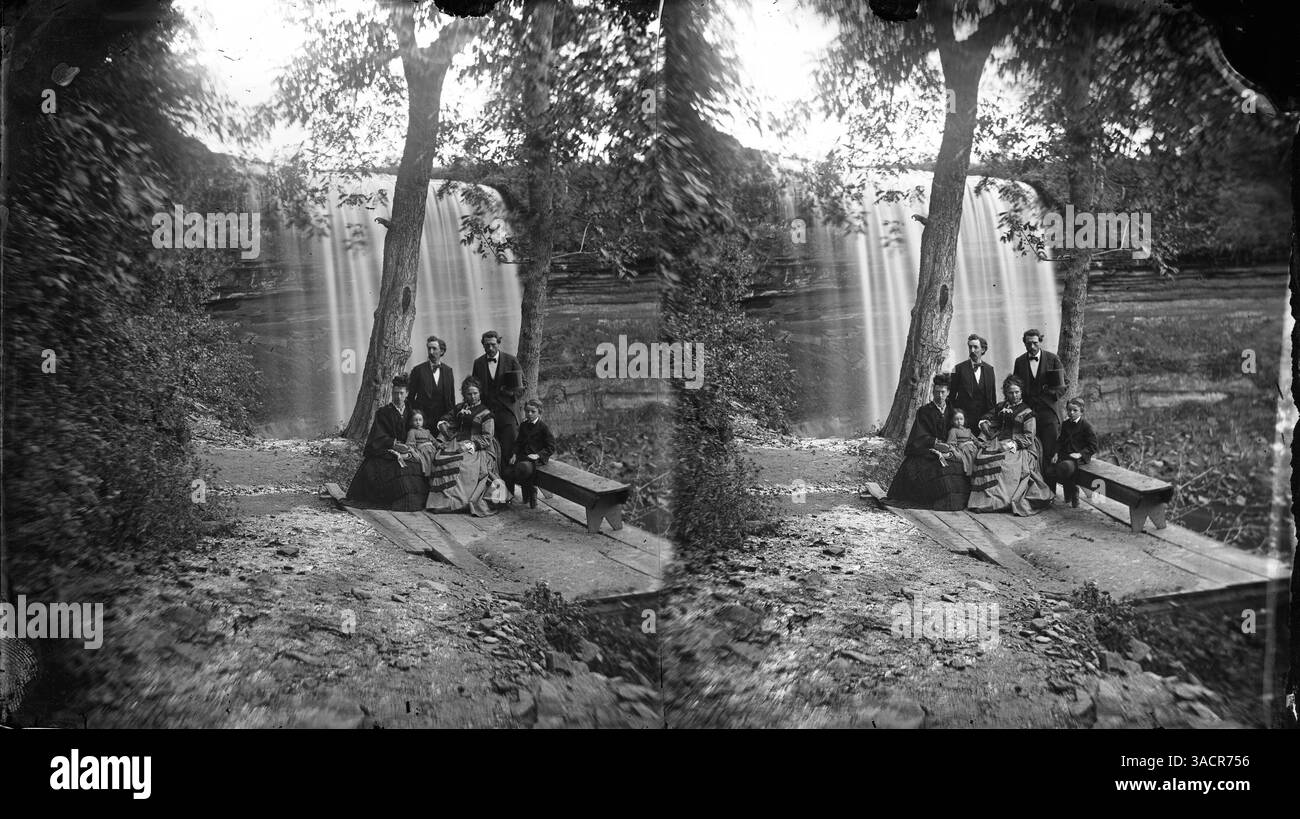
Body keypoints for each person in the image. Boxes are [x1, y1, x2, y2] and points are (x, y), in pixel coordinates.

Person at [883, 373, 969, 511]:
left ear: (948, 392)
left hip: (950, 449)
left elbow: (959, 430)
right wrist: (934, 443)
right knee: (929, 468)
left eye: (942, 392)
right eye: (936, 392)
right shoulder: (924, 411)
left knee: (958, 467)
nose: (939, 396)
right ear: (932, 392)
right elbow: (919, 436)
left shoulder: (953, 410)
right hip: (928, 450)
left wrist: (953, 445)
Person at [969, 376, 1053, 516]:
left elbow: (1028, 437)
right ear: (1005, 393)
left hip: (1020, 446)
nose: (1014, 396)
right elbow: (990, 418)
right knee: (982, 458)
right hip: (998, 440)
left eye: (1017, 392)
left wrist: (1012, 444)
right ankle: (982, 501)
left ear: (1021, 392)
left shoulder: (1027, 412)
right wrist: (985, 423)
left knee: (1005, 463)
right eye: (1010, 393)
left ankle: (998, 502)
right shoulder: (1001, 407)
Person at [344, 375, 429, 511]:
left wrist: (410, 446)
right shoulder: (383, 412)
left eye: (401, 393)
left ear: (407, 394)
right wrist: (394, 444)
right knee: (386, 468)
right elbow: (377, 437)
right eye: (395, 393)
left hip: (408, 449)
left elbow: (417, 430)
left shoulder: (411, 412)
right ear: (391, 393)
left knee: (414, 467)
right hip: (387, 450)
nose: (398, 396)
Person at [424, 377, 502, 517]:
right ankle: (440, 502)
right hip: (456, 441)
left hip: (477, 446)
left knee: (462, 463)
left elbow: (487, 437)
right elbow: (447, 419)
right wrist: (444, 424)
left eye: (475, 393)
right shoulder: (460, 407)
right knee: (441, 459)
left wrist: (471, 445)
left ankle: (457, 503)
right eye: (469, 394)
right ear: (464, 394)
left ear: (480, 393)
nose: (472, 397)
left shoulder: (486, 413)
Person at [1012, 328, 1067, 492]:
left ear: (1040, 341)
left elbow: (1065, 384)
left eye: (1035, 343)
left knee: (1049, 453)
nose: (1032, 347)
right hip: (1029, 414)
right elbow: (1015, 385)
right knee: (1031, 452)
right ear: (1024, 343)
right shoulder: (1019, 362)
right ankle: (1034, 491)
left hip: (1049, 414)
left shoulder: (1052, 359)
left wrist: (1051, 394)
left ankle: (1049, 492)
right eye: (1029, 343)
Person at [472, 330, 524, 498]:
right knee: (492, 455)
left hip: (508, 415)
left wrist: (510, 394)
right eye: (487, 345)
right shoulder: (478, 363)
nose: (490, 347)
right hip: (488, 416)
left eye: (493, 344)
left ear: (498, 343)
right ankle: (496, 495)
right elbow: (474, 387)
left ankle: (508, 495)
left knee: (508, 454)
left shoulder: (510, 360)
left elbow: (524, 386)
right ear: (483, 345)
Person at [505, 399, 556, 509]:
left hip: (537, 458)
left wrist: (538, 455)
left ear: (539, 412)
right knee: (507, 471)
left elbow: (551, 447)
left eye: (533, 412)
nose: (529, 414)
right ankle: (509, 497)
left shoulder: (543, 427)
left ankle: (531, 491)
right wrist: (514, 454)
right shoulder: (524, 425)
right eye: (527, 411)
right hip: (524, 456)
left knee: (524, 468)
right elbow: (518, 443)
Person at [1052, 398, 1099, 508]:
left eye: (1075, 410)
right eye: (1069, 410)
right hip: (1066, 455)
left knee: (1065, 467)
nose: (1071, 413)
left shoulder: (1086, 426)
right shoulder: (1066, 424)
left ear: (1081, 411)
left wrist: (1080, 454)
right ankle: (1068, 492)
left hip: (1078, 458)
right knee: (1051, 468)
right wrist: (1056, 453)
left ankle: (1073, 492)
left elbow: (1093, 446)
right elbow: (1060, 441)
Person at [408, 335, 455, 430]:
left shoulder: (448, 371)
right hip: (423, 420)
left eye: (434, 349)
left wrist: (450, 418)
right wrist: (415, 417)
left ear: (441, 351)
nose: (431, 352)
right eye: (429, 349)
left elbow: (451, 398)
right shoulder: (418, 370)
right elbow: (410, 397)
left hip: (442, 420)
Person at [951, 334, 996, 426]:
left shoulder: (989, 370)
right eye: (970, 347)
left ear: (983, 349)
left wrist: (990, 417)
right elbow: (951, 396)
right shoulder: (959, 368)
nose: (972, 350)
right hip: (964, 420)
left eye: (975, 347)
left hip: (984, 420)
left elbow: (992, 397)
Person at [400, 409, 439, 475]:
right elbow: (410, 444)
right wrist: (413, 452)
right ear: (411, 422)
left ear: (423, 421)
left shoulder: (427, 431)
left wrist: (439, 445)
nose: (418, 422)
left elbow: (434, 441)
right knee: (428, 463)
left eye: (420, 420)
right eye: (415, 420)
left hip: (432, 449)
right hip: (422, 452)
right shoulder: (412, 431)